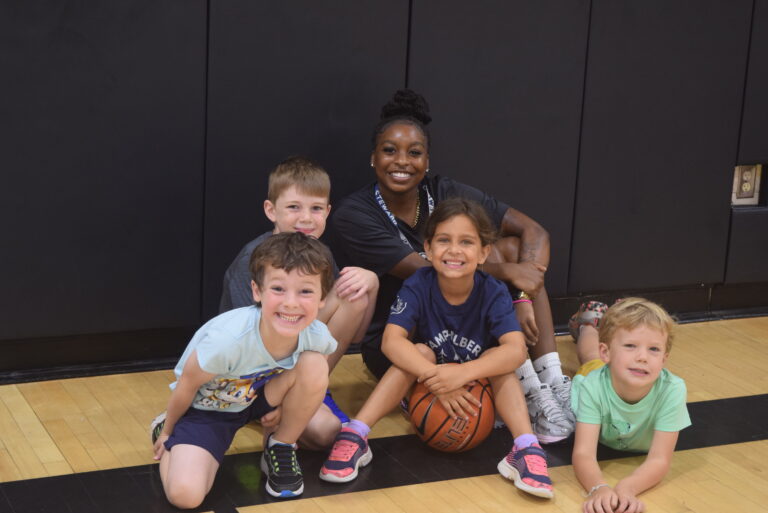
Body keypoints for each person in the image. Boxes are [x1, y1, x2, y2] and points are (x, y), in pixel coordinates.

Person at [327, 89, 573, 442]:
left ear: (427, 161)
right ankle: (516, 387)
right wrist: (508, 274)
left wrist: (521, 294)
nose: (402, 161)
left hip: (463, 327)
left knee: (509, 248)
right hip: (406, 338)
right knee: (502, 259)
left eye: (414, 153)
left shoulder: (443, 191)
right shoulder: (354, 214)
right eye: (390, 150)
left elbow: (535, 232)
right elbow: (424, 270)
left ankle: (546, 381)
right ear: (373, 157)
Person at [319, 198, 555, 499]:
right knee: (419, 351)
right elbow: (391, 341)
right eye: (444, 240)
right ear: (428, 249)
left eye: (466, 242)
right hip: (425, 381)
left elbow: (516, 350)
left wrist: (461, 375)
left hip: (475, 386)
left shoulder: (492, 291)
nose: (454, 250)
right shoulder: (419, 283)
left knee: (500, 362)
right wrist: (436, 378)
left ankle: (525, 447)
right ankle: (356, 433)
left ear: (483, 252)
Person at [150, 233, 338, 506]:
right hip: (208, 410)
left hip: (258, 397)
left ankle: (280, 446)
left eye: (306, 291)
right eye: (278, 289)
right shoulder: (227, 340)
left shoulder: (317, 335)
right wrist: (169, 431)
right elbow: (187, 385)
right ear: (257, 291)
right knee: (186, 497)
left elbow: (314, 375)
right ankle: (169, 434)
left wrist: (283, 407)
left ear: (323, 297)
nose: (291, 302)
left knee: (315, 365)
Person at [220, 156, 378, 440]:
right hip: (249, 376)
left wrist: (373, 283)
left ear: (327, 211)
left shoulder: (318, 255)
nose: (306, 218)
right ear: (271, 210)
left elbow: (355, 336)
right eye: (294, 207)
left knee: (352, 293)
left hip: (293, 363)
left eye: (316, 208)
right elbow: (252, 344)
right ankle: (278, 402)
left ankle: (312, 388)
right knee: (324, 431)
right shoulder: (252, 260)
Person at [569, 299, 691, 513]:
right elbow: (583, 454)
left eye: (654, 349)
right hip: (599, 371)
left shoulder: (672, 389)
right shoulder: (592, 386)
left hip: (618, 369)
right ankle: (589, 324)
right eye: (630, 346)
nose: (642, 357)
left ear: (664, 359)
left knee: (598, 356)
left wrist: (627, 488)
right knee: (590, 358)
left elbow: (659, 460)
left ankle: (614, 316)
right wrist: (598, 488)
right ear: (607, 352)